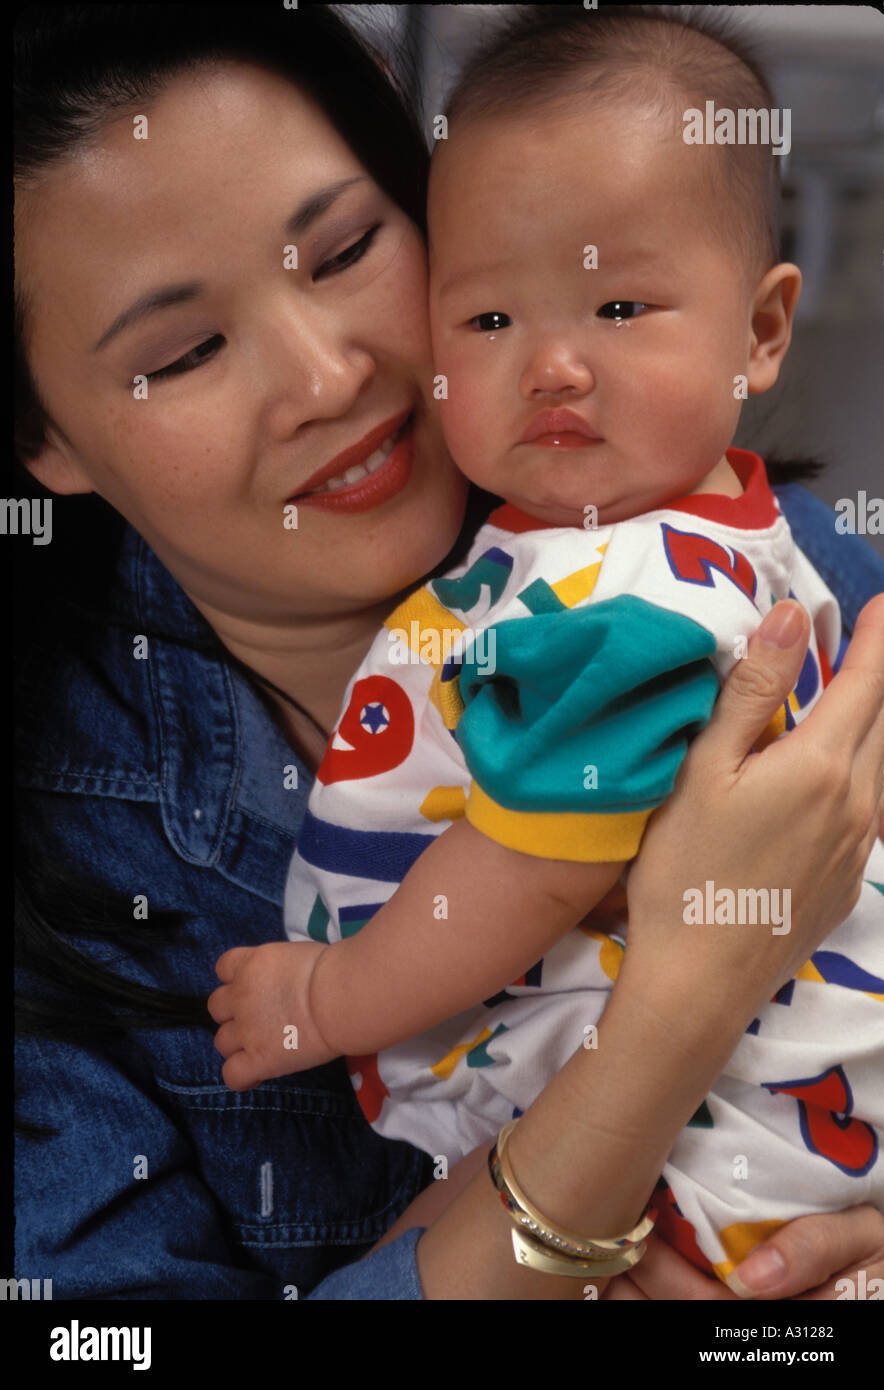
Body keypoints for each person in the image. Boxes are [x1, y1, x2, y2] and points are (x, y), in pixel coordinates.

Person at [13, 2, 884, 1301]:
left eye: (349, 248)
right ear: (47, 448)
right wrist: (670, 1027)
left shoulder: (758, 579)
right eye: (186, 351)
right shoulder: (64, 854)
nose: (329, 373)